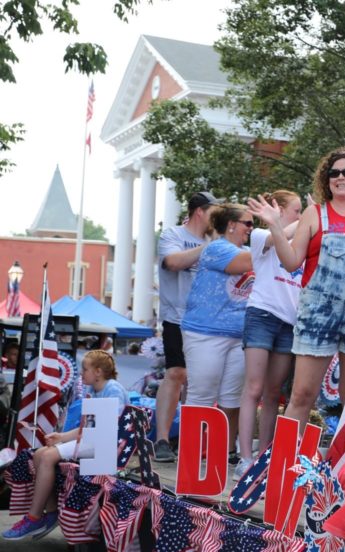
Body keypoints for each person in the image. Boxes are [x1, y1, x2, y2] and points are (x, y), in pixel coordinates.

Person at [249, 147, 345, 431]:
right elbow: (292, 260)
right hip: (317, 316)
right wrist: (274, 226)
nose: (340, 178)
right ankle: (288, 467)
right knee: (301, 395)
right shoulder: (314, 213)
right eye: (334, 173)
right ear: (326, 178)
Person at [1, 350, 128, 540]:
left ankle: (34, 516)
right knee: (39, 454)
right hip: (95, 440)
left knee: (47, 456)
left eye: (85, 369)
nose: (81, 374)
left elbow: (105, 429)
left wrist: (64, 439)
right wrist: (61, 437)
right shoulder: (92, 390)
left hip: (107, 445)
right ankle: (51, 512)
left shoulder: (113, 390)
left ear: (98, 372)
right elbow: (89, 427)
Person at [235, 190, 304, 476]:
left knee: (274, 393)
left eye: (303, 212)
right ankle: (245, 457)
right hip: (262, 315)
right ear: (279, 210)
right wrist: (314, 215)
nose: (301, 216)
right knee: (253, 388)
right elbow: (281, 232)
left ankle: (265, 456)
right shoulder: (261, 236)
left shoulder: (302, 242)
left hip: (289, 322)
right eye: (298, 210)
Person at [180, 203, 254, 462]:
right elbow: (244, 263)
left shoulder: (249, 249)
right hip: (205, 332)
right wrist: (281, 235)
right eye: (248, 223)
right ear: (231, 225)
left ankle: (219, 457)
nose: (251, 230)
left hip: (239, 334)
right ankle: (189, 458)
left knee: (231, 399)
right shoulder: (216, 249)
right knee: (202, 395)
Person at [153, 191, 221, 463]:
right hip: (177, 316)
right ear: (200, 212)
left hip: (206, 321)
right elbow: (172, 262)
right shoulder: (172, 235)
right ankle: (161, 438)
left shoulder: (214, 241)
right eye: (214, 212)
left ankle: (190, 439)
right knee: (177, 373)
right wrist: (210, 247)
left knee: (199, 381)